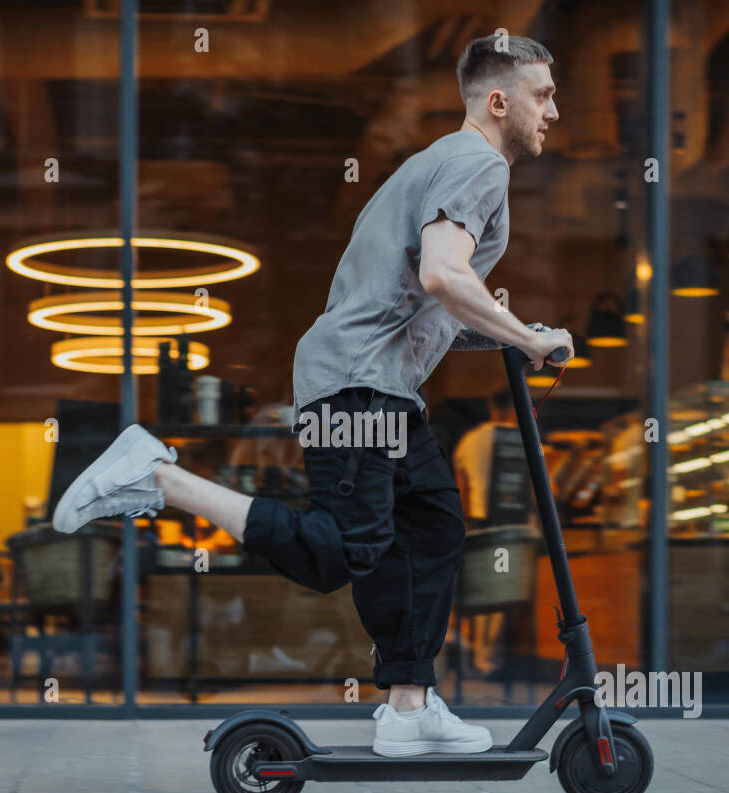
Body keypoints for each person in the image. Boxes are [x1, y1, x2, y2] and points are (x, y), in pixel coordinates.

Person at [53, 34, 572, 755]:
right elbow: (445, 278)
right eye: (542, 94)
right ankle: (159, 476)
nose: (554, 109)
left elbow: (423, 299)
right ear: (497, 101)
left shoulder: (435, 163)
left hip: (380, 386)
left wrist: (517, 334)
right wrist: (525, 335)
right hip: (358, 383)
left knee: (433, 528)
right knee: (341, 549)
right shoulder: (477, 163)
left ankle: (408, 705)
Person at [452, 380, 533, 677]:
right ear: (514, 406)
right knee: (498, 596)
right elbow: (539, 489)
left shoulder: (470, 440)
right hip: (508, 526)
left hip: (475, 524)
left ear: (491, 406)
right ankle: (487, 660)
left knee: (475, 590)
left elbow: (459, 488)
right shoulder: (524, 439)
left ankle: (472, 650)